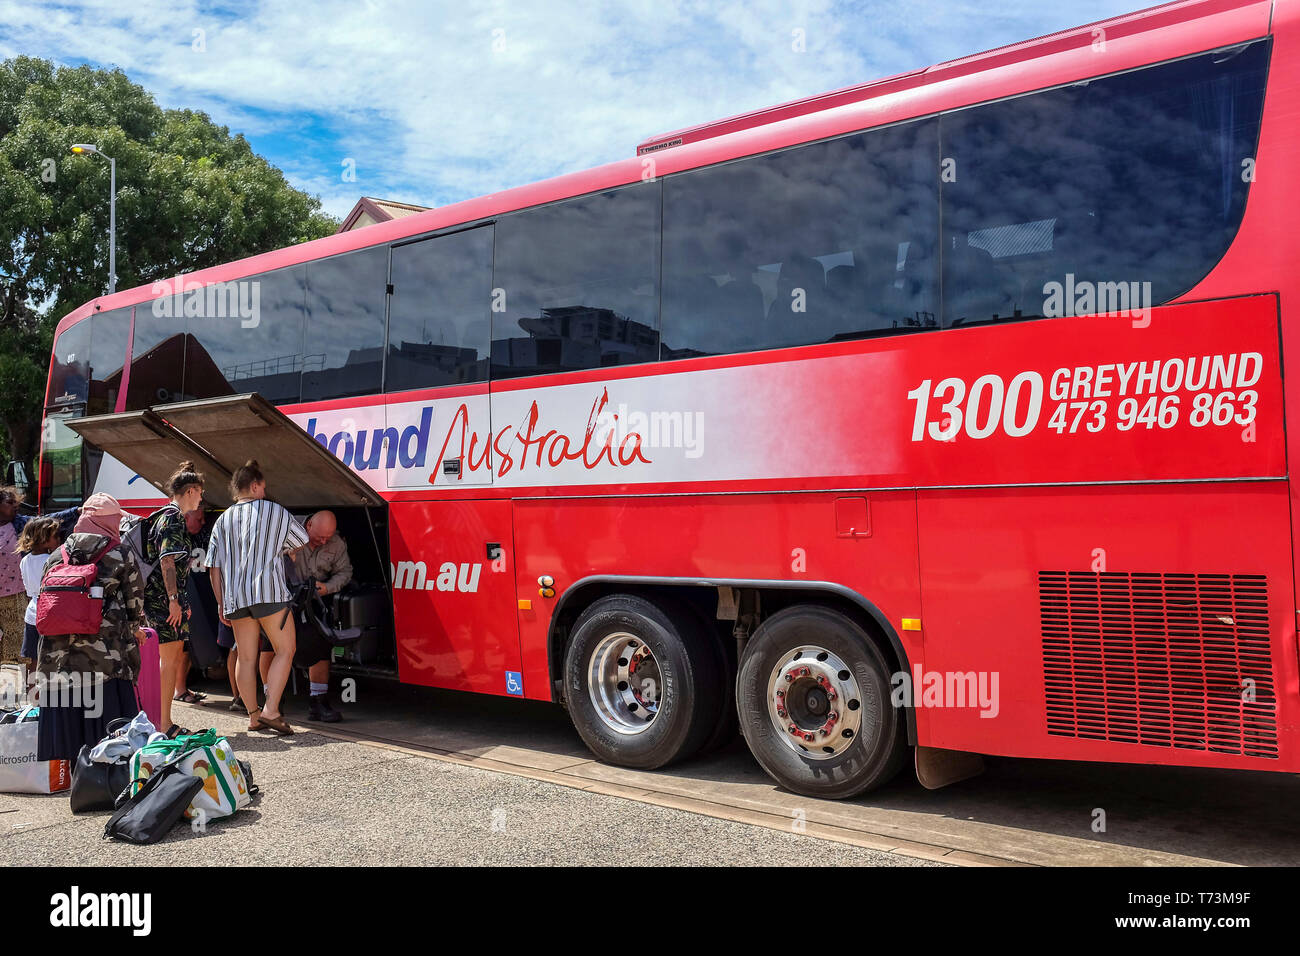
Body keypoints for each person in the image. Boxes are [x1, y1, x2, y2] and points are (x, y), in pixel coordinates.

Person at [35, 493, 149, 762]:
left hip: (58, 657)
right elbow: (134, 602)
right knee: (108, 718)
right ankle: (106, 769)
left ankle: (69, 771)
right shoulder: (120, 554)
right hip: (105, 658)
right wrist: (134, 626)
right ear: (107, 521)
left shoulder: (56, 556)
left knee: (66, 714)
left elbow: (42, 601)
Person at [206, 460, 308, 736]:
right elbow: (301, 539)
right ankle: (271, 709)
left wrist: (220, 603)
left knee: (246, 657)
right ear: (254, 485)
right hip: (269, 593)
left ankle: (252, 716)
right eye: (263, 487)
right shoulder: (276, 512)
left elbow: (213, 567)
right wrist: (283, 549)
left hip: (235, 598)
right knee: (285, 650)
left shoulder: (222, 519)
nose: (265, 492)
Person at [143, 461, 206, 738]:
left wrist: (182, 601)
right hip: (162, 600)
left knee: (169, 659)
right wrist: (173, 600)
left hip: (162, 599)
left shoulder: (163, 516)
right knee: (167, 662)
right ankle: (163, 723)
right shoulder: (174, 518)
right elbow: (167, 561)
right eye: (200, 493)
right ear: (191, 490)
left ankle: (161, 720)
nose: (202, 499)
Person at [0, 487, 89, 660]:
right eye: (10, 503)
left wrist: (75, 511)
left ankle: (18, 684)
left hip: (15, 597)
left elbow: (48, 522)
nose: (16, 506)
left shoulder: (20, 523)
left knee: (18, 647)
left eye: (16, 502)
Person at [287, 510, 352, 722]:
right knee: (271, 647)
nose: (324, 541)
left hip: (315, 601)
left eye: (328, 537)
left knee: (321, 647)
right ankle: (270, 701)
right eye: (320, 537)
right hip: (285, 599)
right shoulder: (288, 532)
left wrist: (328, 587)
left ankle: (318, 701)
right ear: (308, 527)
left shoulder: (335, 543)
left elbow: (345, 572)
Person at [15, 516, 62, 666]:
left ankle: (31, 688)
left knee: (34, 660)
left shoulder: (25, 560)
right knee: (53, 660)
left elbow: (29, 592)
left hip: (31, 615)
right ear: (43, 539)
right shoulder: (52, 560)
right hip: (50, 615)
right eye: (55, 536)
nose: (59, 539)